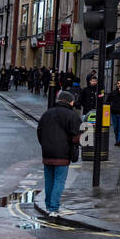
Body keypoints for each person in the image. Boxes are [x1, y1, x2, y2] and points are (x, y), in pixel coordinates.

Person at [36, 89, 81, 218]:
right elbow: (78, 137)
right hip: (63, 153)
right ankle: (54, 208)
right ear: (70, 102)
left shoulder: (47, 114)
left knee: (49, 180)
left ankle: (49, 206)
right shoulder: (72, 116)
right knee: (59, 181)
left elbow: (39, 132)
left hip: (47, 152)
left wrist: (45, 144)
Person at [109, 79, 120, 147]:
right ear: (116, 84)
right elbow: (108, 100)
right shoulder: (113, 93)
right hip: (114, 112)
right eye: (118, 83)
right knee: (116, 128)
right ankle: (117, 140)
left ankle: (119, 141)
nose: (119, 84)